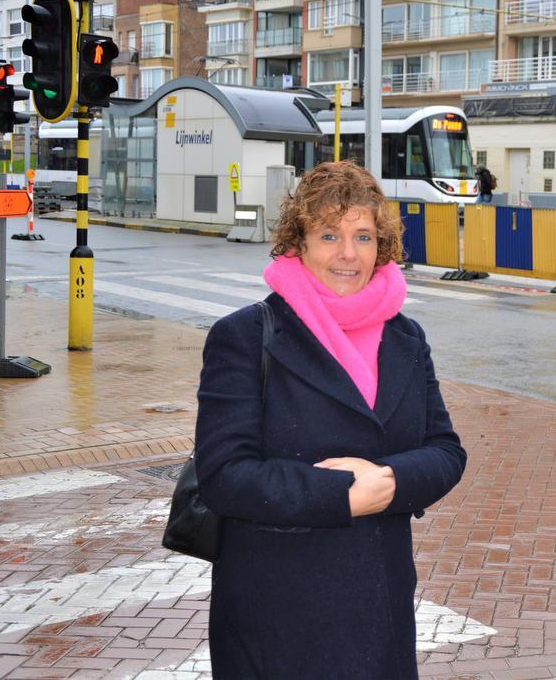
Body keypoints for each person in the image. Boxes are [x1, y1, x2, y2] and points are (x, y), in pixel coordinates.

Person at [195, 160, 467, 678]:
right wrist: (341, 493)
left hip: (379, 607)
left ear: (381, 246)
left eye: (363, 236)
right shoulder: (248, 336)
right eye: (329, 235)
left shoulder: (405, 338)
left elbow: (446, 450)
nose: (348, 254)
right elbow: (224, 475)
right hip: (277, 612)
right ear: (297, 243)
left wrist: (391, 480)